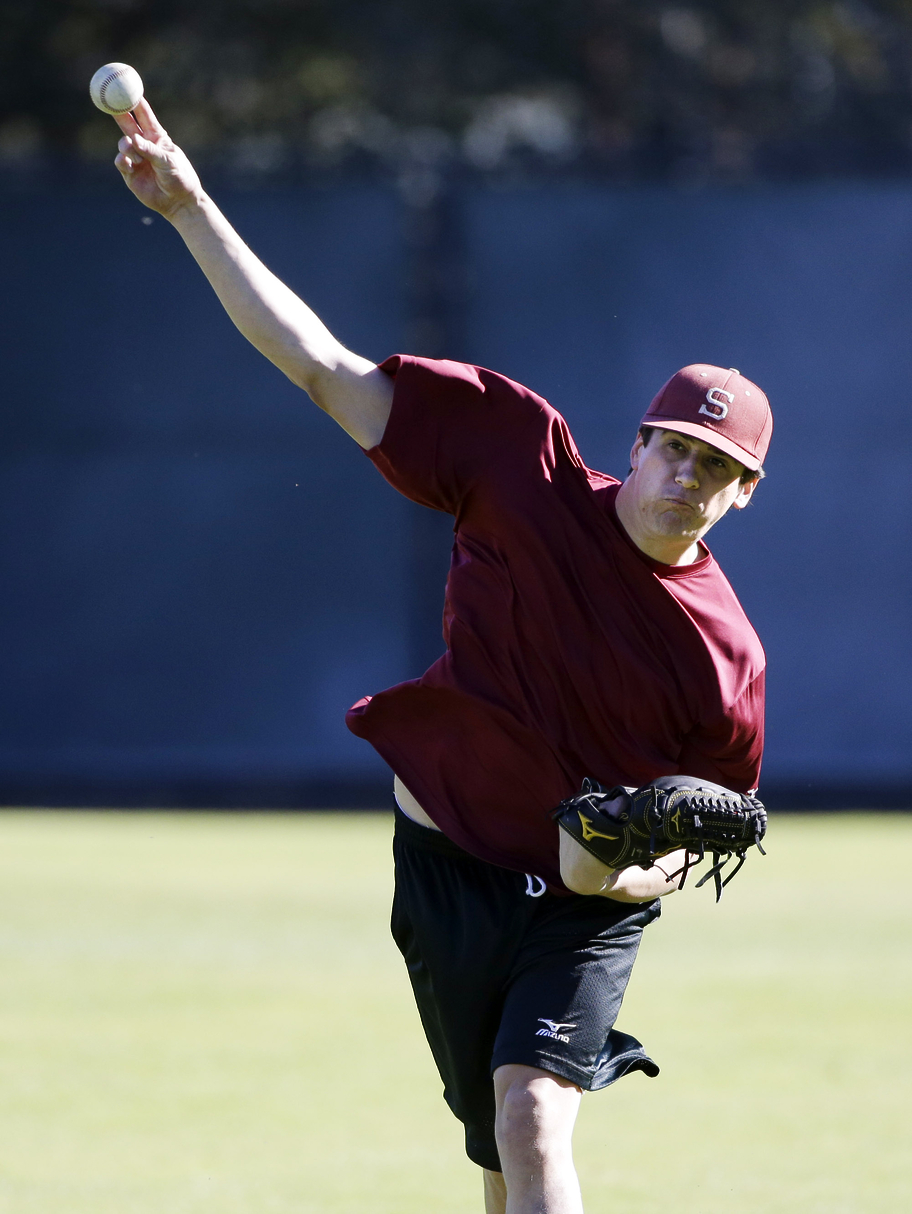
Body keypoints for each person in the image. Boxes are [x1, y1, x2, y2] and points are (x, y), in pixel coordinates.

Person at [109, 99, 771, 1214]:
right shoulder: (520, 464)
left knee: (530, 1116)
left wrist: (615, 865)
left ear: (744, 493)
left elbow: (707, 840)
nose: (688, 478)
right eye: (678, 449)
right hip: (446, 871)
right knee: (495, 1158)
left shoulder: (723, 654)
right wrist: (190, 207)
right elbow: (320, 366)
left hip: (581, 910)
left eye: (717, 467)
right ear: (640, 442)